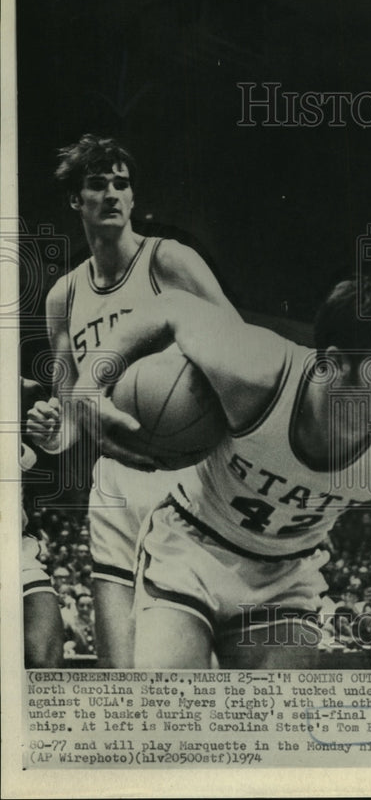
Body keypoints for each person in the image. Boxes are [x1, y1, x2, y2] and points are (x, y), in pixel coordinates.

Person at [77, 275, 371, 668]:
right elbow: (172, 306)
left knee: (272, 716)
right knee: (169, 698)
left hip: (284, 575)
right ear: (337, 363)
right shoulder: (258, 370)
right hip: (191, 547)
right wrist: (87, 385)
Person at [26, 134, 239, 667]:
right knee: (120, 675)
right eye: (98, 184)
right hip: (116, 483)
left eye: (122, 183)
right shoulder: (64, 296)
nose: (113, 194)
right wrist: (54, 428)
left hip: (189, 477)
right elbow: (71, 408)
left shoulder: (169, 261)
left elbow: (242, 351)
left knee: (185, 672)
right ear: (76, 200)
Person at [21, 378, 65, 668]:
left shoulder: (24, 392)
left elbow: (58, 437)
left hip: (13, 548)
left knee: (46, 658)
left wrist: (51, 430)